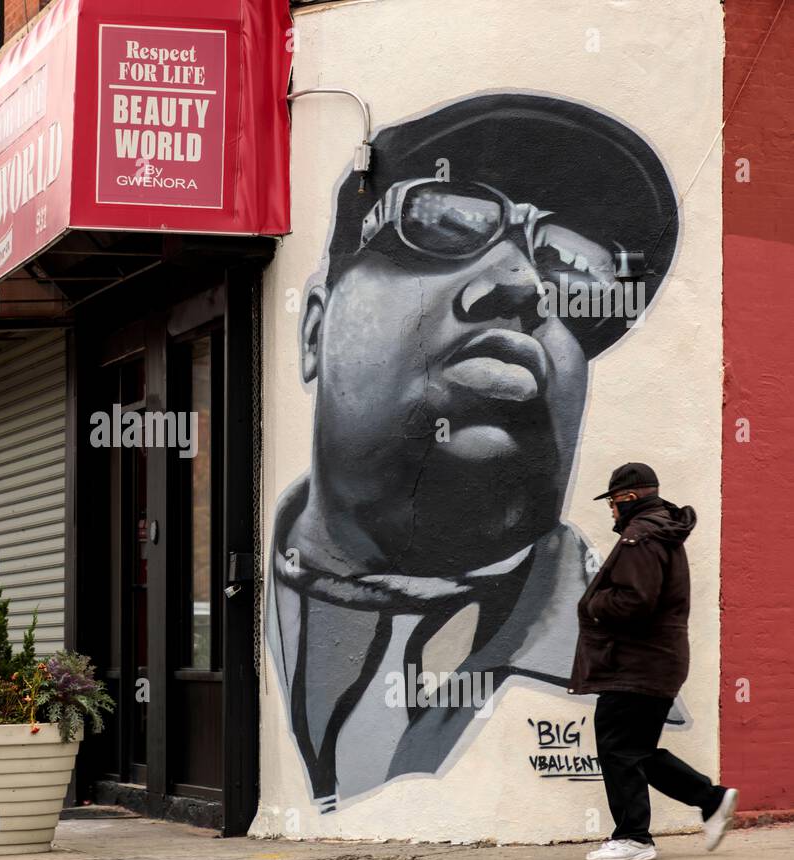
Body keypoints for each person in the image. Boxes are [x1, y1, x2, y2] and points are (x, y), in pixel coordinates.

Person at [265, 92, 684, 809]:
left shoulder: (596, 672)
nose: (523, 285)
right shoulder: (255, 614)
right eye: (444, 218)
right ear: (313, 332)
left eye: (573, 265)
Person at [571, 462, 737, 860]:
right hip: (654, 661)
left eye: (612, 501)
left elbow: (636, 600)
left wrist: (592, 602)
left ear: (628, 498)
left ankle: (633, 838)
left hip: (637, 664)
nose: (610, 510)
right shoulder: (658, 531)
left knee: (617, 746)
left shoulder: (640, 536)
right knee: (634, 749)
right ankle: (710, 799)